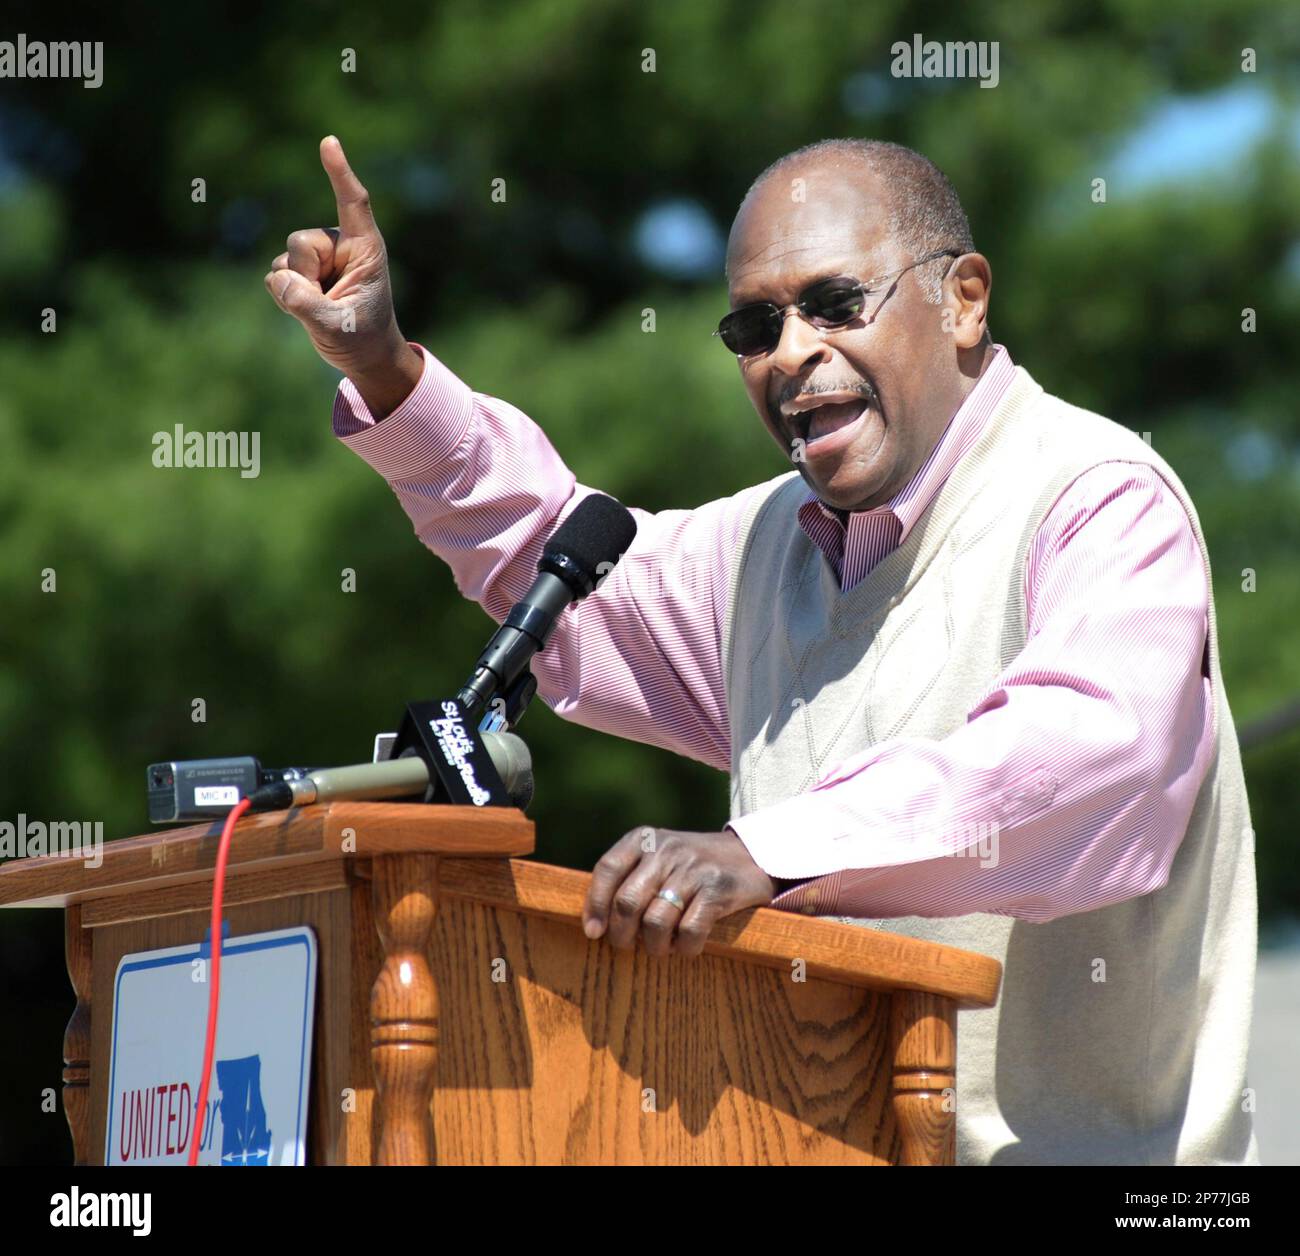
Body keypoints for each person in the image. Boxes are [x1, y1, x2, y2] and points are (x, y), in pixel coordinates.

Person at [265, 135, 1258, 1166]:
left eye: (834, 301)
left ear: (963, 299)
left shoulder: (1093, 492)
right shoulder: (760, 547)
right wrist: (383, 368)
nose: (790, 352)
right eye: (756, 324)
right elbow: (549, 559)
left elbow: (1086, 756)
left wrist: (767, 851)